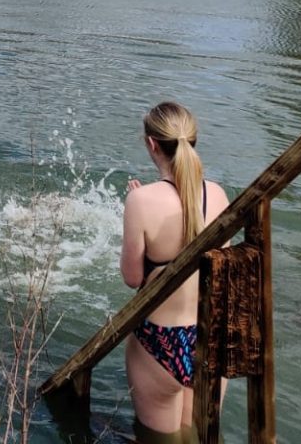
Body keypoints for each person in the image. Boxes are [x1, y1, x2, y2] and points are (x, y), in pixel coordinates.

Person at [120, 101, 228, 436]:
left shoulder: (141, 201)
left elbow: (132, 277)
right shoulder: (218, 194)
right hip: (209, 340)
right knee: (199, 435)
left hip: (161, 342)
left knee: (159, 441)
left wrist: (137, 204)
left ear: (151, 144)